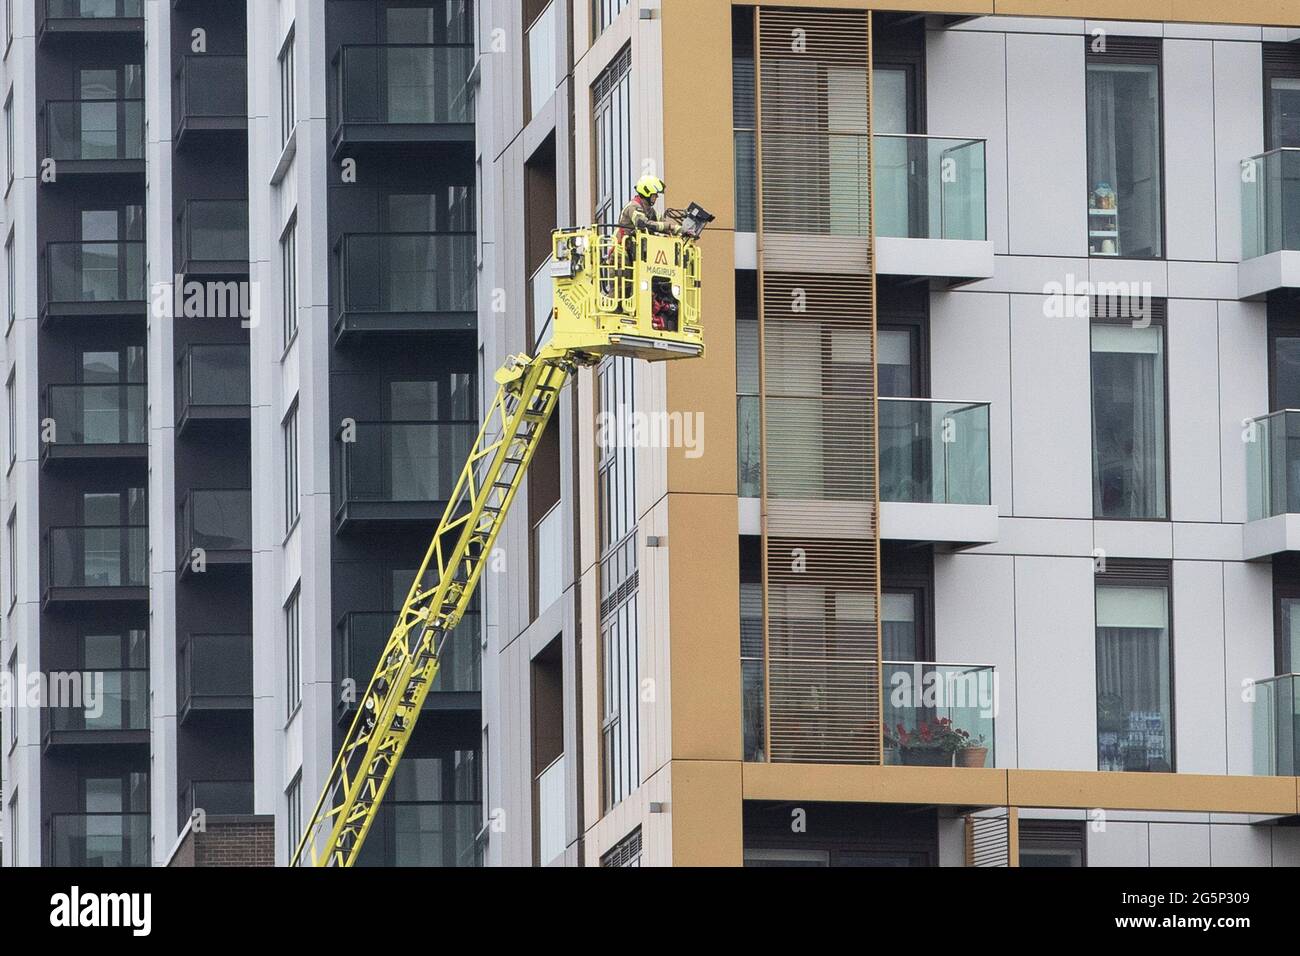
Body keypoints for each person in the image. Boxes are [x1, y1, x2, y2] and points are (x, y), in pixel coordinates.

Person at [613, 175, 682, 329]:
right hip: (621, 251)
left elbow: (658, 224)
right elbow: (642, 223)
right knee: (622, 283)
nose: (656, 197)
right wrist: (670, 227)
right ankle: (614, 312)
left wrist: (678, 231)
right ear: (647, 192)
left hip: (637, 252)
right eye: (654, 195)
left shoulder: (650, 211)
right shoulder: (633, 207)